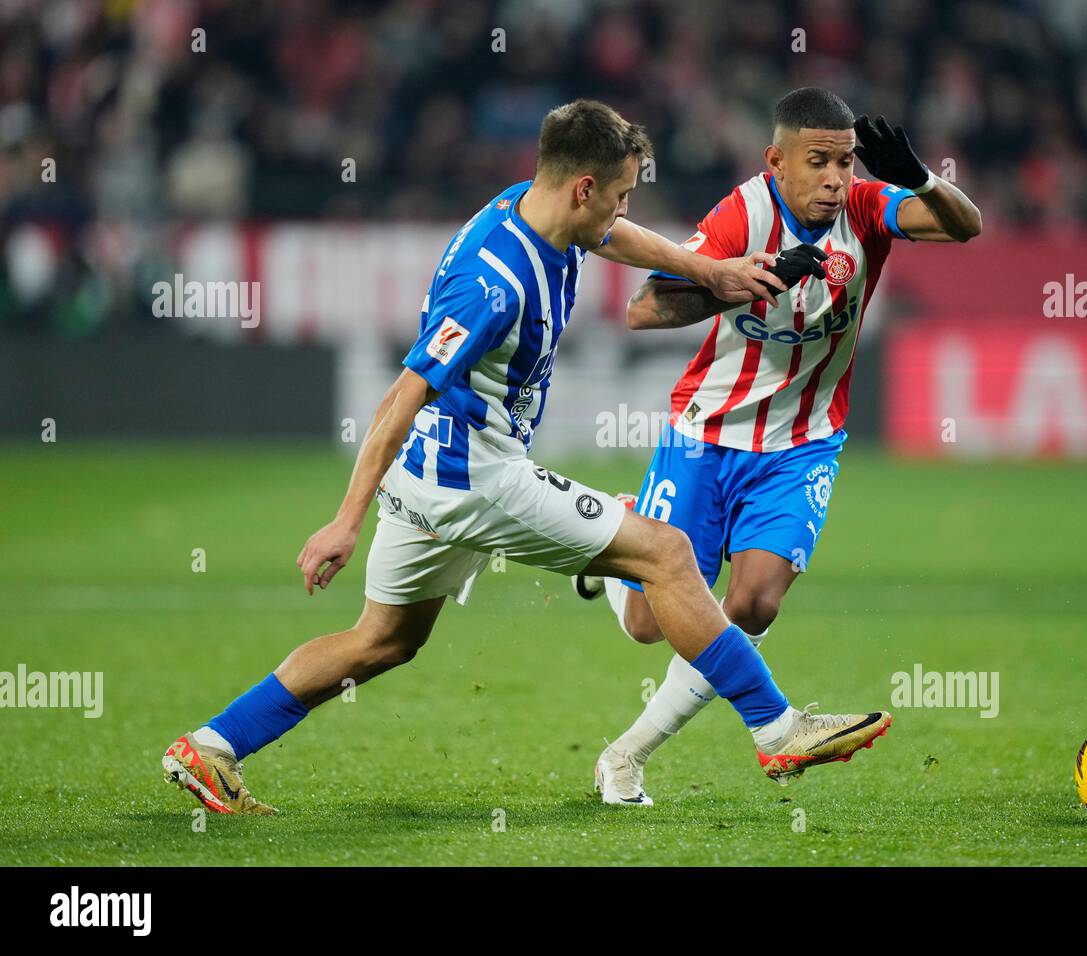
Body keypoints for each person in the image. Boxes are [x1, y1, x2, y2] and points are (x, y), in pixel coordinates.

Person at [160, 99, 889, 815]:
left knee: (381, 641)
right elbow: (398, 399)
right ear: (584, 189)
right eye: (621, 196)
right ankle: (776, 727)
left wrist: (712, 274)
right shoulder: (494, 285)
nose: (623, 210)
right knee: (665, 553)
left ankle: (213, 745)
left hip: (430, 474)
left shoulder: (532, 204)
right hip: (474, 475)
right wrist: (345, 521)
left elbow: (616, 239)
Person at [576, 88, 980, 806]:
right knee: (648, 625)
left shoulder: (865, 208)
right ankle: (615, 539)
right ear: (777, 161)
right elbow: (645, 308)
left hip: (803, 445)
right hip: (705, 435)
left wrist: (920, 178)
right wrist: (740, 283)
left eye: (846, 162)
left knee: (755, 601)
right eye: (819, 162)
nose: (835, 178)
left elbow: (965, 228)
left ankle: (626, 756)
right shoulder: (741, 214)